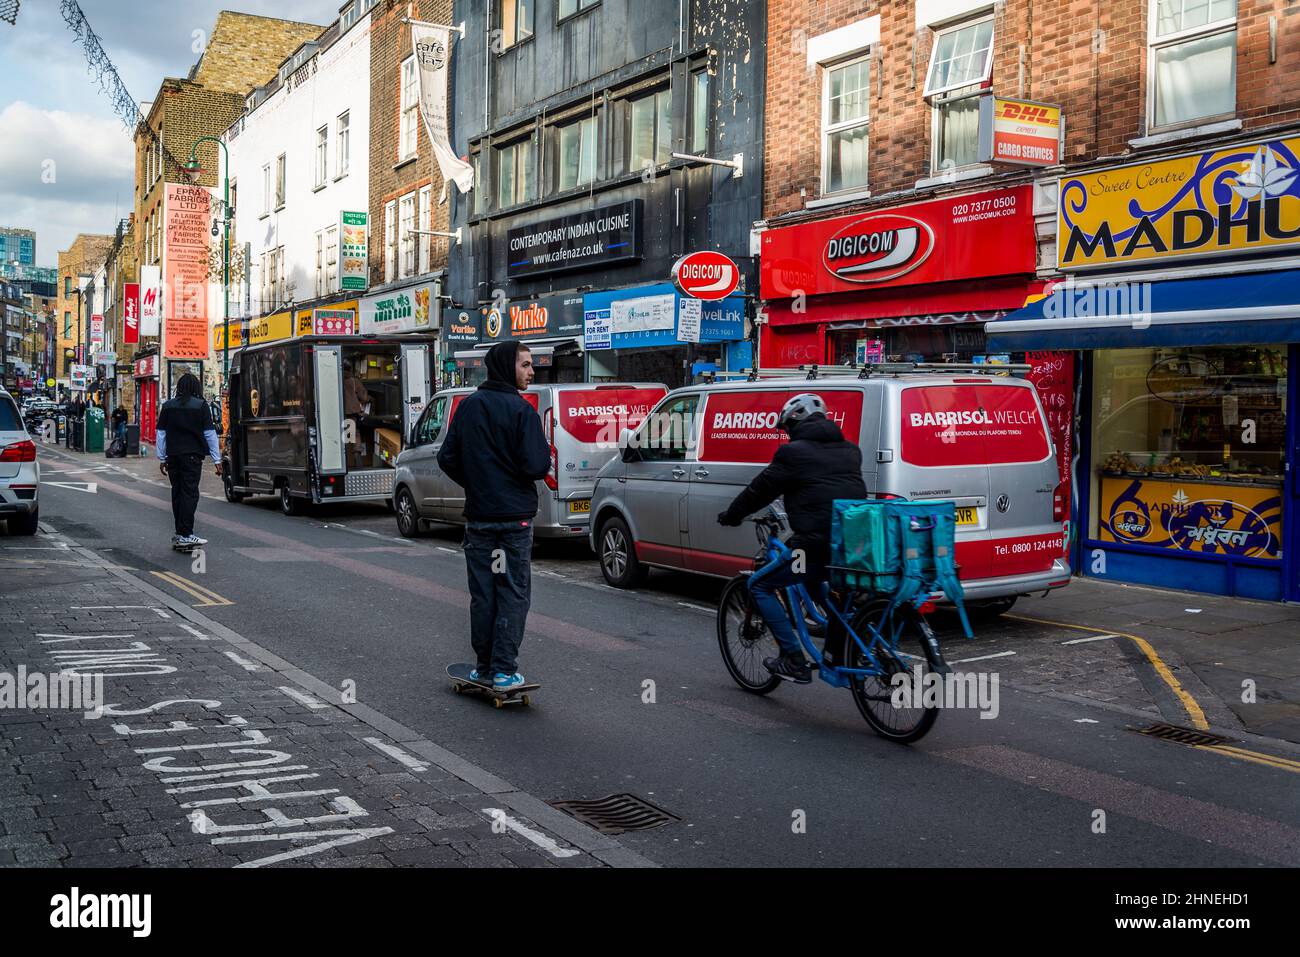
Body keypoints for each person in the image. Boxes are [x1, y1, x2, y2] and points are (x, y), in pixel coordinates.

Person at [716, 394, 867, 683]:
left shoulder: (792, 454)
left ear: (795, 423)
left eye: (786, 428)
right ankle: (839, 638)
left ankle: (793, 659)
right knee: (816, 580)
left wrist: (732, 515)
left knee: (759, 584)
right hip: (850, 545)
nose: (786, 434)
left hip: (811, 547)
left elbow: (759, 491)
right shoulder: (851, 450)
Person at [436, 341, 550, 691]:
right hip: (515, 520)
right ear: (505, 367)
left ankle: (484, 667)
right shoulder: (522, 411)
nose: (532, 371)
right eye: (525, 365)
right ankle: (503, 670)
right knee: (512, 591)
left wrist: (478, 482)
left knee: (484, 593)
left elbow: (446, 458)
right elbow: (537, 466)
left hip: (481, 518)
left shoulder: (468, 407)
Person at [156, 373, 222, 549]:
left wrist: (162, 458)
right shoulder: (201, 406)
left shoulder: (168, 406)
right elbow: (210, 434)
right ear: (196, 387)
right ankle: (186, 534)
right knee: (190, 494)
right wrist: (217, 459)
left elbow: (161, 433)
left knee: (177, 493)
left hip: (173, 456)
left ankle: (180, 534)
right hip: (192, 456)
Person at [343, 359, 370, 468]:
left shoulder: (335, 380)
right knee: (355, 436)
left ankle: (344, 461)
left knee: (344, 437)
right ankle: (357, 459)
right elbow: (363, 398)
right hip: (351, 414)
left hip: (339, 414)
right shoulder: (354, 381)